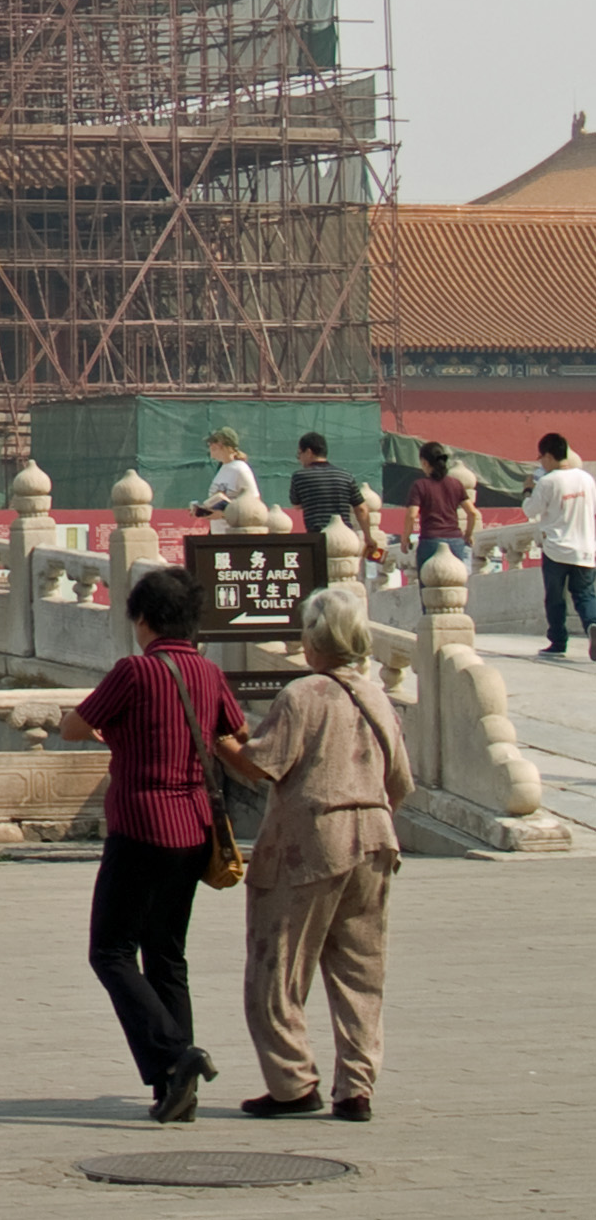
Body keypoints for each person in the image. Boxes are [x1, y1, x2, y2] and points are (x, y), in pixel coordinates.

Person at [58, 566, 249, 1123]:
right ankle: (174, 1086)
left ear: (143, 620)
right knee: (167, 955)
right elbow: (232, 739)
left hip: (142, 824)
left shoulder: (135, 671)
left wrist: (100, 727)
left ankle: (175, 1055)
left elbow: (74, 726)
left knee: (111, 951)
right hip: (194, 828)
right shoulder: (208, 674)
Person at [216, 589, 411, 1122]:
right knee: (361, 973)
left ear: (315, 639)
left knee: (276, 966)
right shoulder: (377, 698)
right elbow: (401, 782)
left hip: (310, 839)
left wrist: (216, 739)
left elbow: (261, 765)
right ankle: (357, 1087)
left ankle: (292, 1081)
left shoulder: (303, 695)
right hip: (375, 836)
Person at [524, 433, 595, 658]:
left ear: (548, 456)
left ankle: (558, 641)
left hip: (556, 549)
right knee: (585, 594)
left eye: (541, 458)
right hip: (585, 548)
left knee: (555, 599)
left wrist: (527, 490)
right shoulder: (586, 479)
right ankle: (593, 624)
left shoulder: (547, 481)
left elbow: (530, 511)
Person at [286, 434, 382, 552]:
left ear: (309, 452)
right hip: (346, 538)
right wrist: (368, 537)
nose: (299, 459)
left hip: (317, 538)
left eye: (299, 454)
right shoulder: (345, 476)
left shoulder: (299, 477)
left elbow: (296, 505)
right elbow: (361, 508)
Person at [402, 441, 481, 577]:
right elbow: (472, 513)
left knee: (429, 588)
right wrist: (467, 535)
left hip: (431, 541)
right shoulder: (456, 484)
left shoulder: (420, 486)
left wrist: (405, 538)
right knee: (455, 583)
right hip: (455, 542)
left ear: (425, 462)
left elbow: (412, 515)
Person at [195, 428, 258, 531]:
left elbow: (254, 505)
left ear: (224, 446)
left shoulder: (241, 469)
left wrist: (224, 515)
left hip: (234, 535)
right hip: (218, 533)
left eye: (214, 443)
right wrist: (203, 510)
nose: (210, 447)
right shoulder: (222, 468)